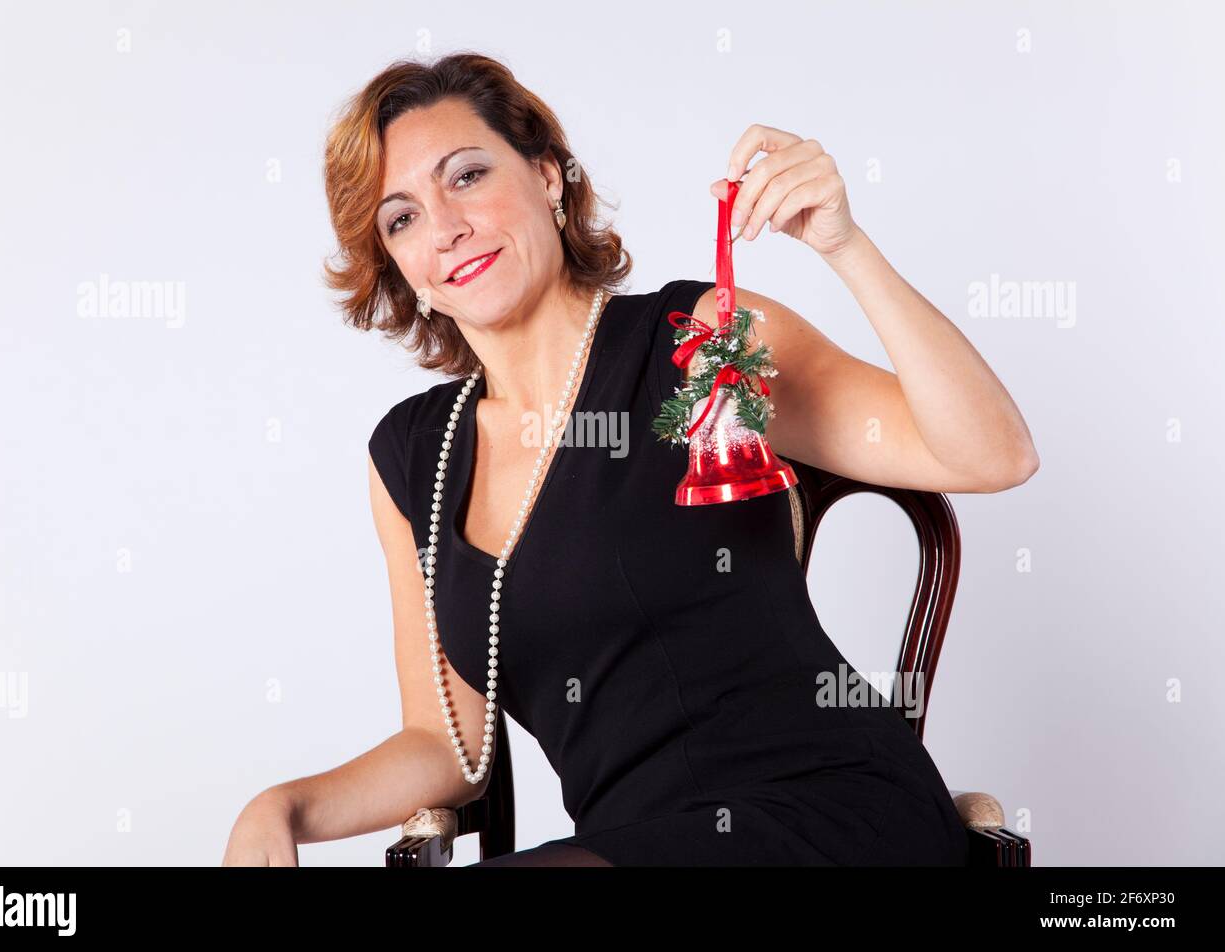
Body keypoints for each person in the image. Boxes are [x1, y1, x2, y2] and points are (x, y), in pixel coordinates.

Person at [222, 52, 1038, 867]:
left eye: (466, 176)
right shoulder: (415, 459)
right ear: (399, 266)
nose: (444, 226)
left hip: (829, 809)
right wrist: (283, 808)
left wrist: (845, 246)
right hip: (628, 847)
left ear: (548, 177)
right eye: (401, 218)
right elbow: (449, 749)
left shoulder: (699, 341)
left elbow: (993, 454)